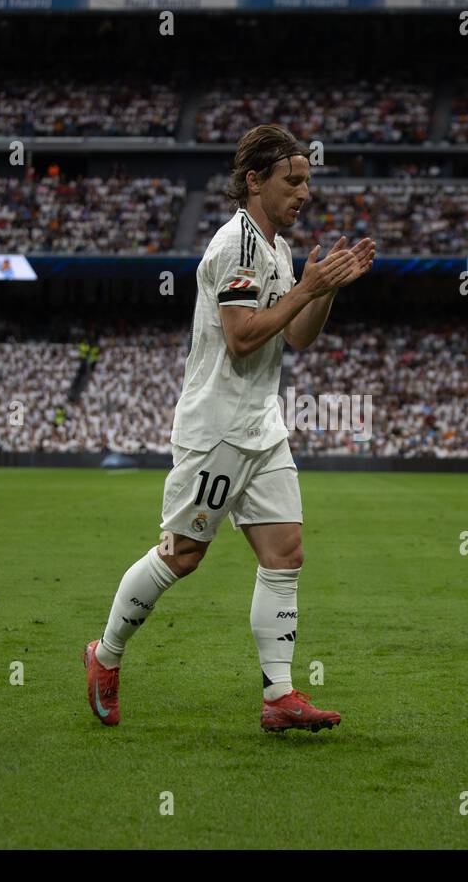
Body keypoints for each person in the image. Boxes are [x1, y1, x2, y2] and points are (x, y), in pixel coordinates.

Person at [83, 124, 375, 733]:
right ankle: (105, 655)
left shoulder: (278, 249)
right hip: (216, 429)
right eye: (292, 181)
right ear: (254, 181)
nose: (303, 193)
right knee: (182, 556)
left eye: (307, 183)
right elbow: (242, 339)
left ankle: (279, 696)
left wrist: (324, 292)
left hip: (262, 426)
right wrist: (306, 289)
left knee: (285, 552)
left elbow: (295, 334)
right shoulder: (236, 243)